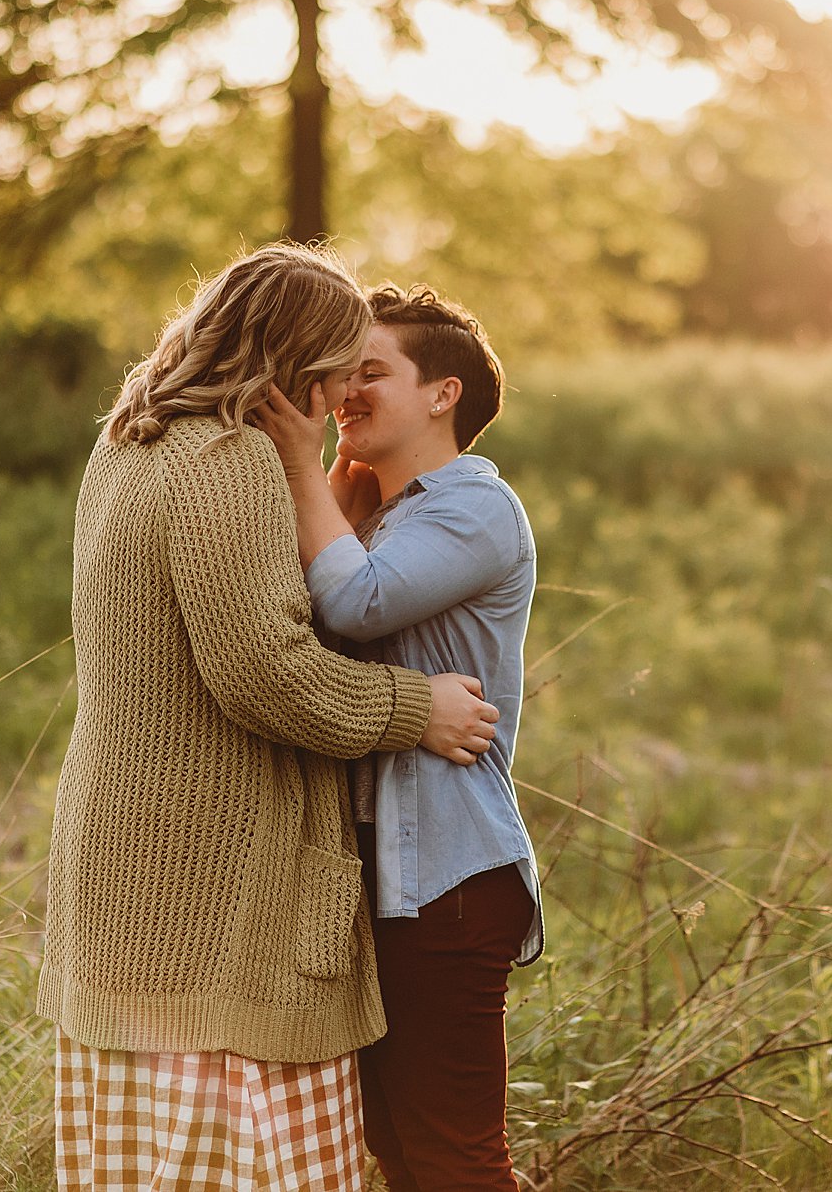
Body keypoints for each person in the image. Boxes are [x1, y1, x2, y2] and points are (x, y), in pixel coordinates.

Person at [35, 243, 501, 1192]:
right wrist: (418, 708)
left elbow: (243, 604)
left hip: (129, 855)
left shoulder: (132, 438)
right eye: (334, 367)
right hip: (213, 867)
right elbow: (268, 670)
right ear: (292, 355)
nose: (338, 393)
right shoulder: (228, 457)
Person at [252, 285, 541, 1192]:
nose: (347, 390)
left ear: (442, 394)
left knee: (456, 1157)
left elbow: (356, 602)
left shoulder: (475, 508)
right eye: (345, 374)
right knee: (403, 1152)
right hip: (387, 879)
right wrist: (335, 485)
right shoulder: (372, 509)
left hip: (451, 876)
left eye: (373, 371)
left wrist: (305, 465)